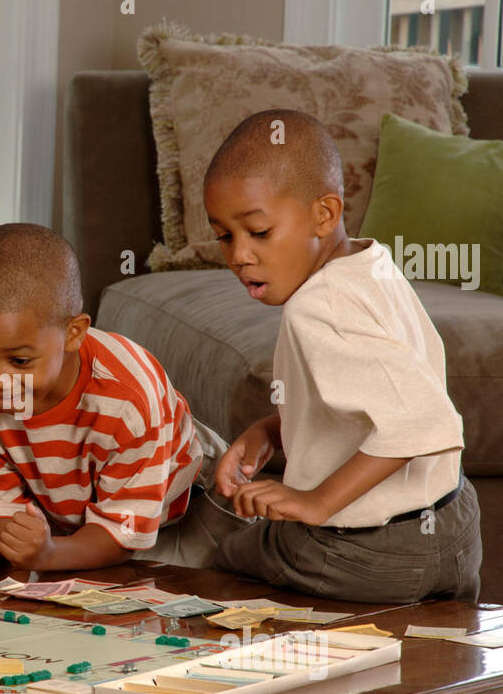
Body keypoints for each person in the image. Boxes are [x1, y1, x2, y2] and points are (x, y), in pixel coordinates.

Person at [205, 109, 483, 603]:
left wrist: (315, 502)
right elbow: (385, 398)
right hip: (454, 526)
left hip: (368, 550)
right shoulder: (371, 263)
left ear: (324, 215)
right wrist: (272, 430)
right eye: (225, 235)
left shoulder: (316, 306)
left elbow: (423, 423)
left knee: (224, 558)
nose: (239, 255)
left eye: (259, 232)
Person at [0, 223, 243, 573]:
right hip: (79, 519)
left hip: (188, 508)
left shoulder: (127, 399)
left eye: (19, 361)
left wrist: (51, 554)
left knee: (170, 594)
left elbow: (122, 533)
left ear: (74, 334)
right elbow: (1, 513)